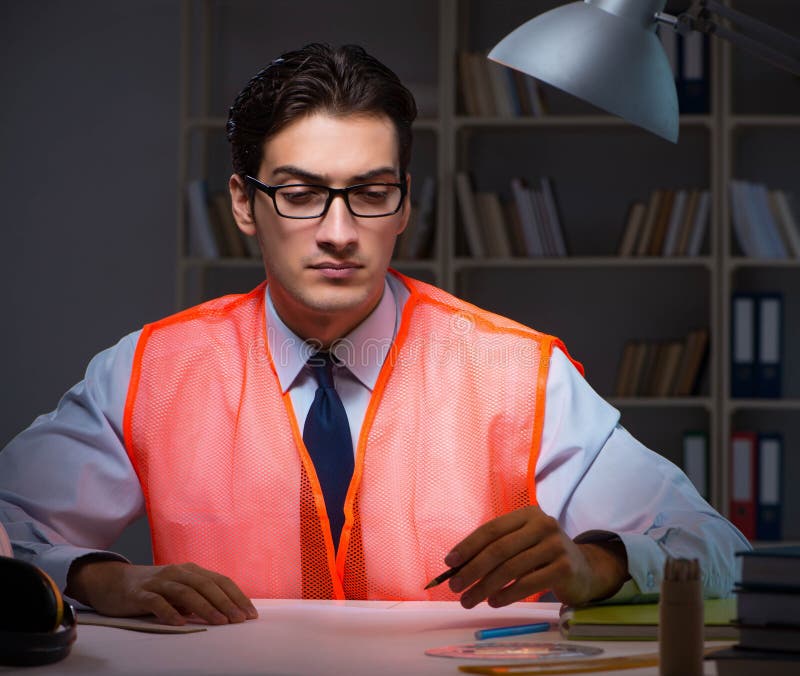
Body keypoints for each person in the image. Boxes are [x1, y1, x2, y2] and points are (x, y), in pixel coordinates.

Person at [0, 43, 748, 627]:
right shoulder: (150, 370)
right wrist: (102, 578)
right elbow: (8, 523)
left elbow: (720, 551)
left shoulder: (517, 371)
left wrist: (600, 565)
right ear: (244, 203)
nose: (338, 232)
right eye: (298, 195)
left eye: (370, 193)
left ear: (403, 206)